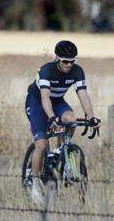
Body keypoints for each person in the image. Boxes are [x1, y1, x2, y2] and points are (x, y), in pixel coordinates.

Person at [25, 40, 99, 203]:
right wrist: (51, 118)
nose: (69, 65)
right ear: (57, 59)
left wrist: (91, 116)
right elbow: (45, 97)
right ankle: (35, 182)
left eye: (72, 61)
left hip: (57, 101)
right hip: (37, 103)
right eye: (65, 61)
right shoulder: (47, 70)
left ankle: (61, 152)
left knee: (71, 120)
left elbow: (83, 95)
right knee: (42, 144)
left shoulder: (77, 71)